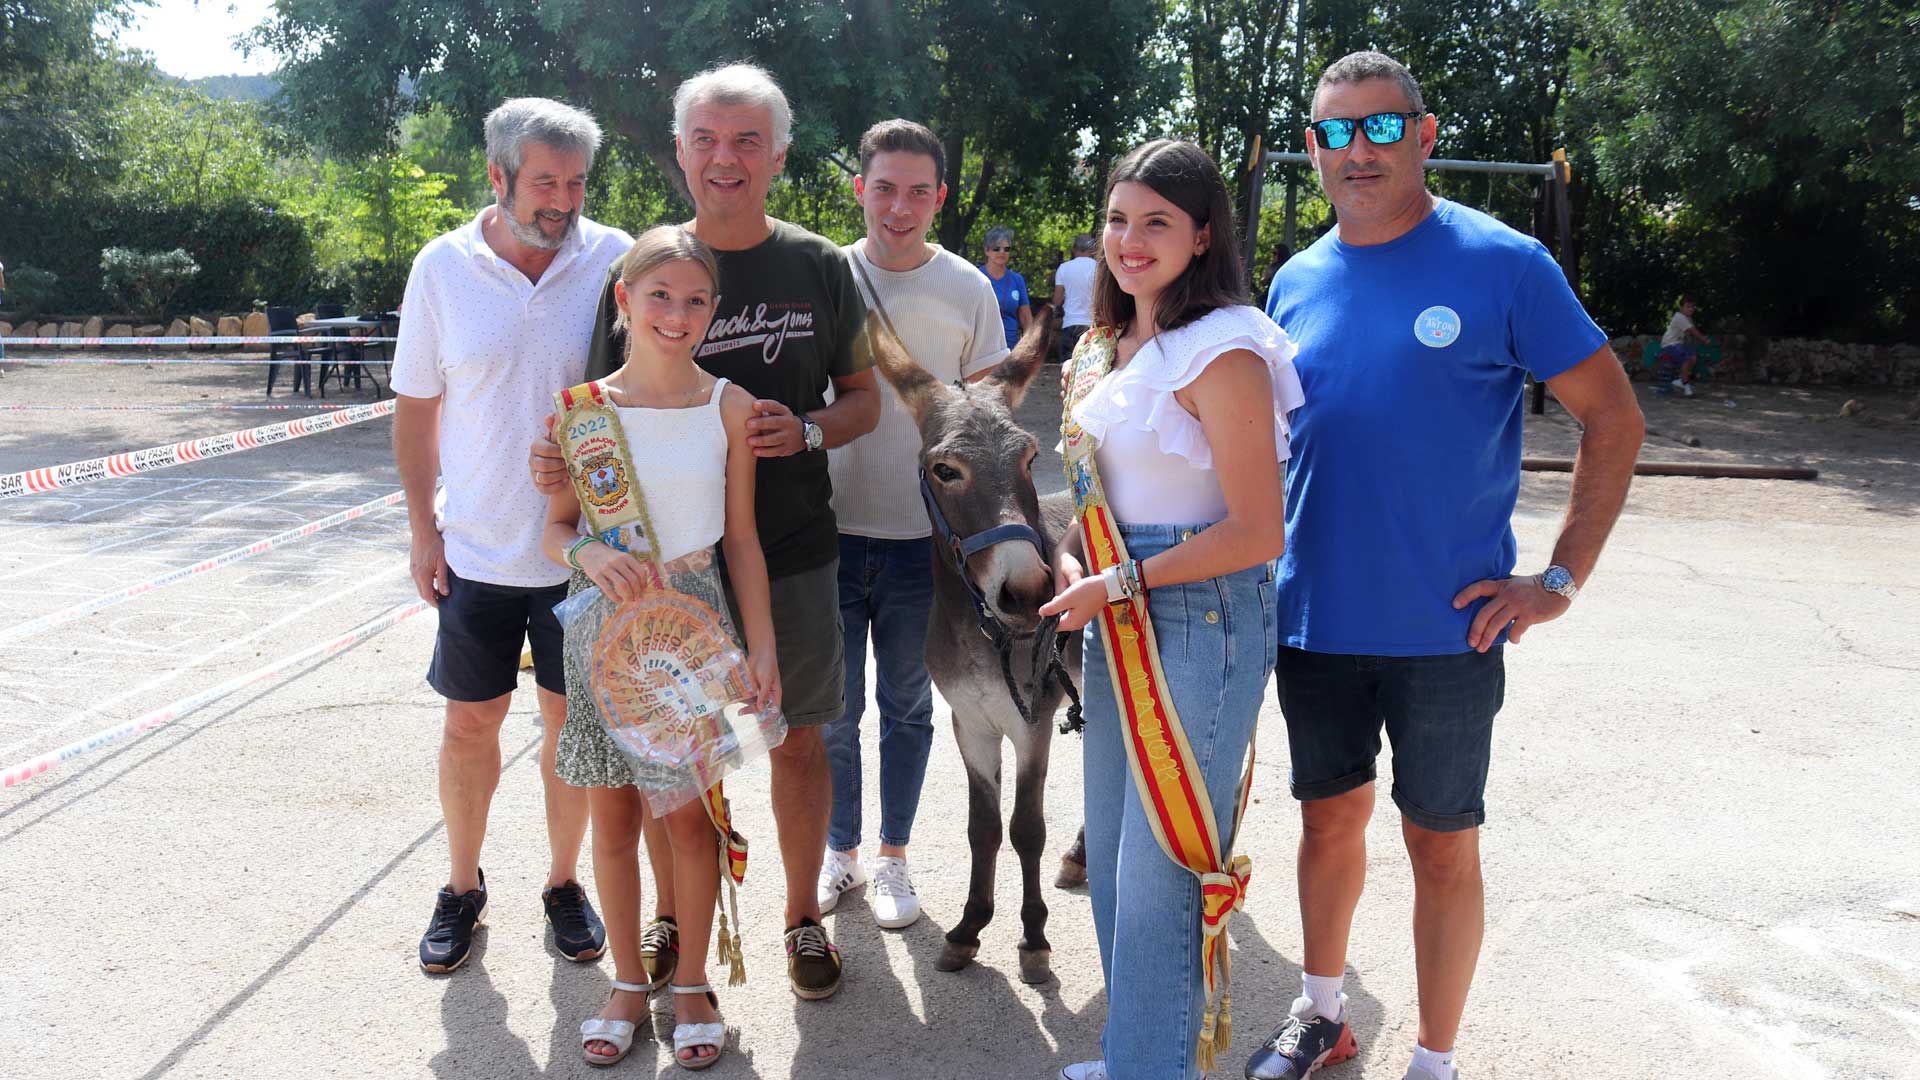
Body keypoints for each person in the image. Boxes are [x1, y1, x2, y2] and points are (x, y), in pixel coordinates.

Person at [1246, 52, 1644, 1080]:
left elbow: (1615, 417)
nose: (1357, 150)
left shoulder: (1503, 263)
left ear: (1423, 135)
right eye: (1334, 132)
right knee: (1327, 823)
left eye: (1380, 126)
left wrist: (1556, 582)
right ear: (1313, 150)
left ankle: (1434, 1059)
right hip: (1316, 621)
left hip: (1450, 628)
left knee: (1441, 845)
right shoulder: (1295, 278)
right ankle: (1323, 1014)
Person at [530, 62, 878, 1002]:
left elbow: (863, 402)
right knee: (658, 763)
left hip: (786, 551)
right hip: (653, 575)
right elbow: (589, 423)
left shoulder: (820, 264)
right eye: (708, 139)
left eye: (747, 140)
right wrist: (556, 476)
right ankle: (673, 926)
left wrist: (804, 427)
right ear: (680, 149)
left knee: (796, 736)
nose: (726, 158)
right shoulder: (643, 268)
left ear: (778, 153)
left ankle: (802, 915)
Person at [1041, 139, 1302, 1080]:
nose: (1130, 240)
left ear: (1202, 236)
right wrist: (1080, 553)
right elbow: (1111, 493)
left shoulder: (1224, 346)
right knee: (1114, 853)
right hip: (1119, 603)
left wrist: (1121, 581)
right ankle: (1137, 1059)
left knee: (1163, 870)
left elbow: (1260, 530)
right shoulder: (1107, 348)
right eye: (1118, 218)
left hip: (1200, 615)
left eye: (1157, 222)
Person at [390, 98, 632, 975]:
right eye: (544, 183)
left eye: (574, 182)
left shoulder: (614, 259)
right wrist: (424, 532)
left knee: (571, 732)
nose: (562, 201)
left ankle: (564, 885)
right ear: (496, 177)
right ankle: (461, 888)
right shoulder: (441, 269)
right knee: (469, 728)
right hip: (480, 550)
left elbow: (648, 383)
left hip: (586, 559)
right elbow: (416, 413)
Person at [542, 225, 776, 1069]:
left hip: (693, 629)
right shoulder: (582, 414)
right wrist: (587, 552)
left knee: (687, 818)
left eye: (695, 300)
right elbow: (554, 529)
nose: (677, 315)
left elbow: (742, 540)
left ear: (714, 310)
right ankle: (628, 984)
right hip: (603, 633)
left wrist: (764, 649)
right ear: (624, 301)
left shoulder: (731, 405)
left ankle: (691, 982)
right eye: (659, 297)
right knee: (612, 814)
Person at [816, 119, 1009, 930]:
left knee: (906, 704)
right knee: (832, 710)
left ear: (938, 197)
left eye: (918, 191)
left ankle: (893, 856)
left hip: (924, 547)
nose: (900, 206)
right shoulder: (822, 275)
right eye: (884, 188)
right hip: (823, 533)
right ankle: (839, 850)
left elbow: (990, 420)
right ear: (860, 189)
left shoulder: (968, 287)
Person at [978, 226, 1033, 349]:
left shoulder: (1017, 280)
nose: (1002, 252)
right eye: (996, 248)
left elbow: (1026, 317)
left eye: (1006, 249)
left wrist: (1030, 344)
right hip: (982, 348)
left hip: (1010, 347)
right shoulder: (975, 277)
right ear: (987, 250)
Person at [1050, 233, 1098, 364]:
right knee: (1089, 366)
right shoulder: (1099, 268)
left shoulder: (1064, 268)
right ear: (1093, 250)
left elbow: (1057, 300)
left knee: (1067, 366)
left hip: (1070, 323)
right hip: (1091, 324)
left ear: (1074, 249)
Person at [1656, 296, 1712, 396]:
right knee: (1686, 358)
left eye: (1692, 307)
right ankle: (1686, 387)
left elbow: (1691, 335)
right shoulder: (1679, 317)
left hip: (1678, 345)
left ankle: (1681, 380)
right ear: (1681, 308)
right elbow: (1693, 331)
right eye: (1688, 307)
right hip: (1669, 345)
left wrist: (1693, 347)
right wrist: (1704, 340)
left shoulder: (1688, 318)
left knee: (1693, 357)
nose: (1691, 309)